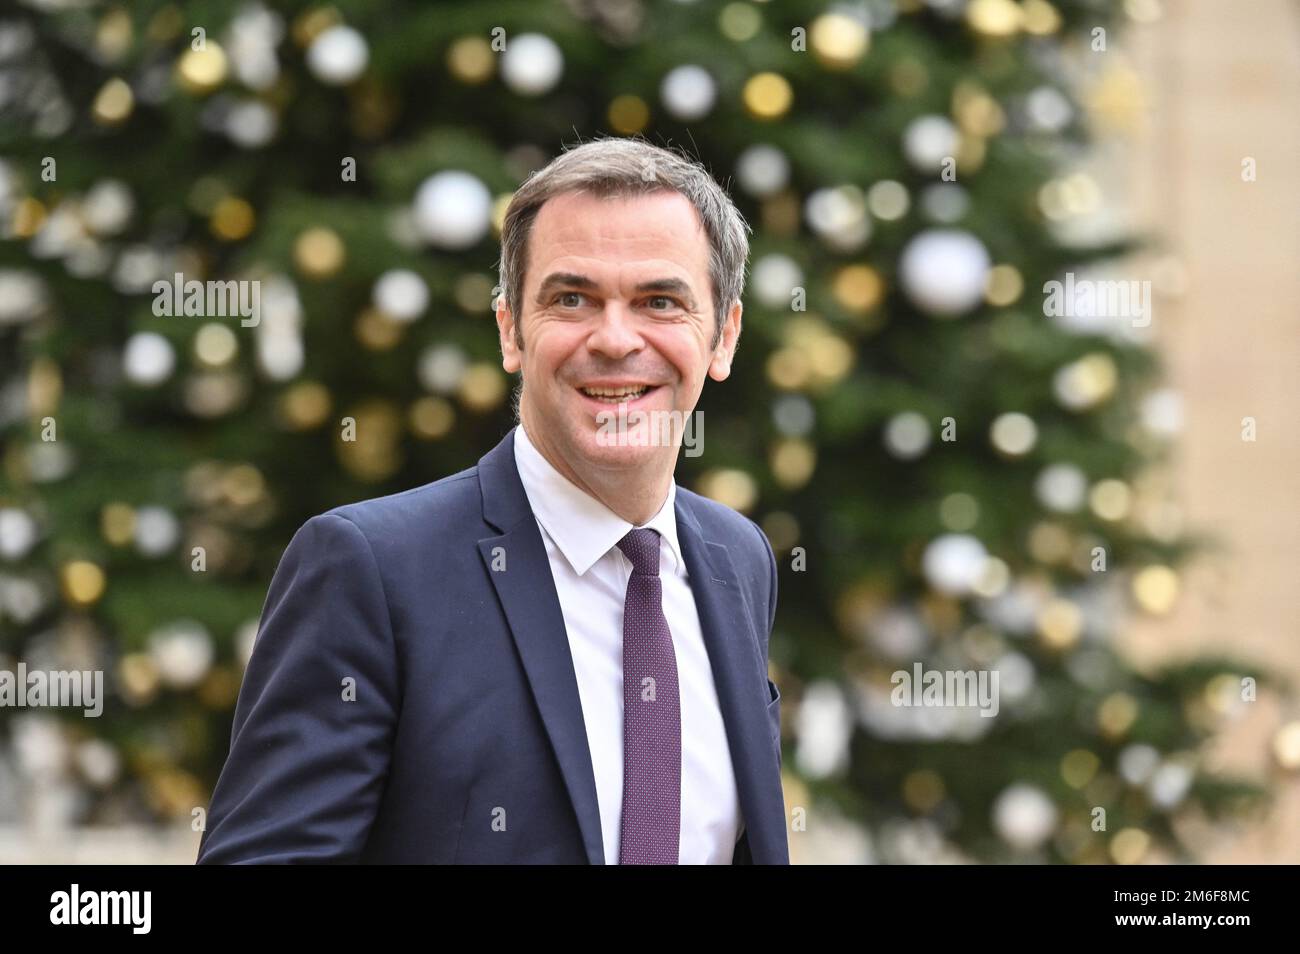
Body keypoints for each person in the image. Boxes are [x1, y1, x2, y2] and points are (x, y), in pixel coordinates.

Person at [196, 137, 787, 864]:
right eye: (572, 298)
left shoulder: (738, 560)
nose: (613, 338)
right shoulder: (370, 570)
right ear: (510, 329)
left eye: (659, 301)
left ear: (723, 337)